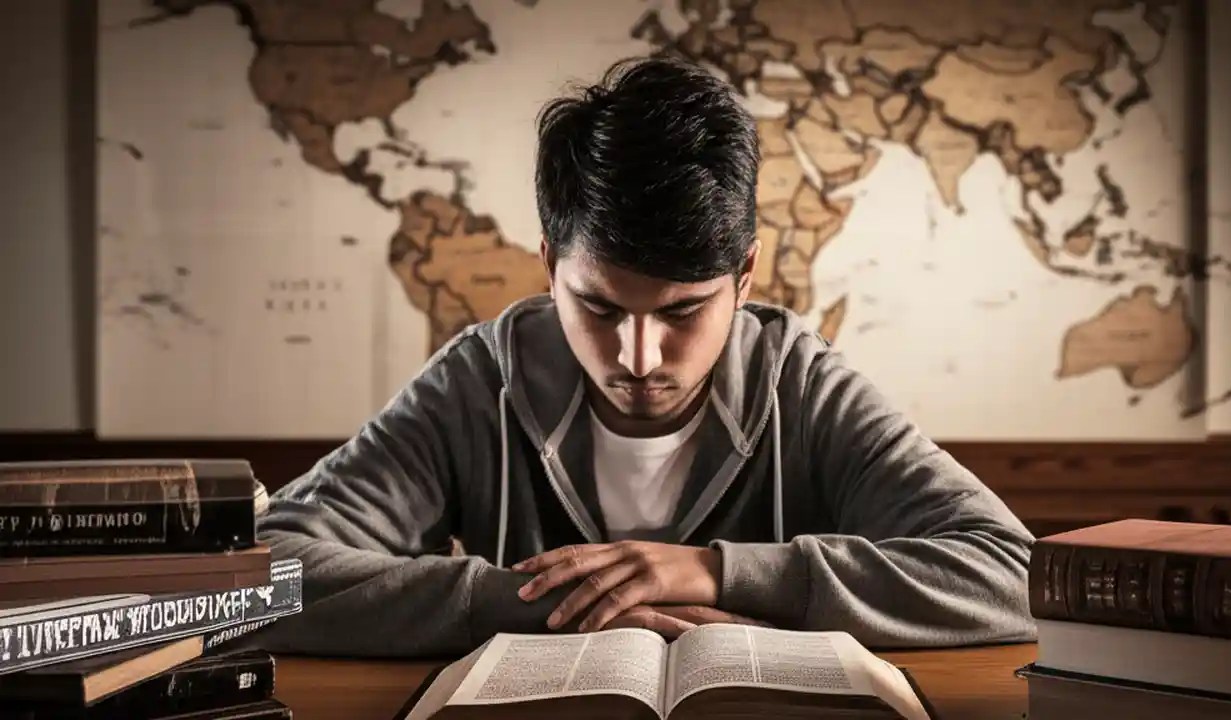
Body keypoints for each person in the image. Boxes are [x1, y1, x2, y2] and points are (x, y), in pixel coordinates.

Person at [252, 55, 1037, 658]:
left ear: (746, 277)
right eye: (597, 306)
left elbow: (1010, 574)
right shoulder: (478, 378)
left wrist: (712, 572)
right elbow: (259, 575)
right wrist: (529, 601)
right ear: (548, 265)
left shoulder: (801, 383)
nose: (635, 355)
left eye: (684, 311)